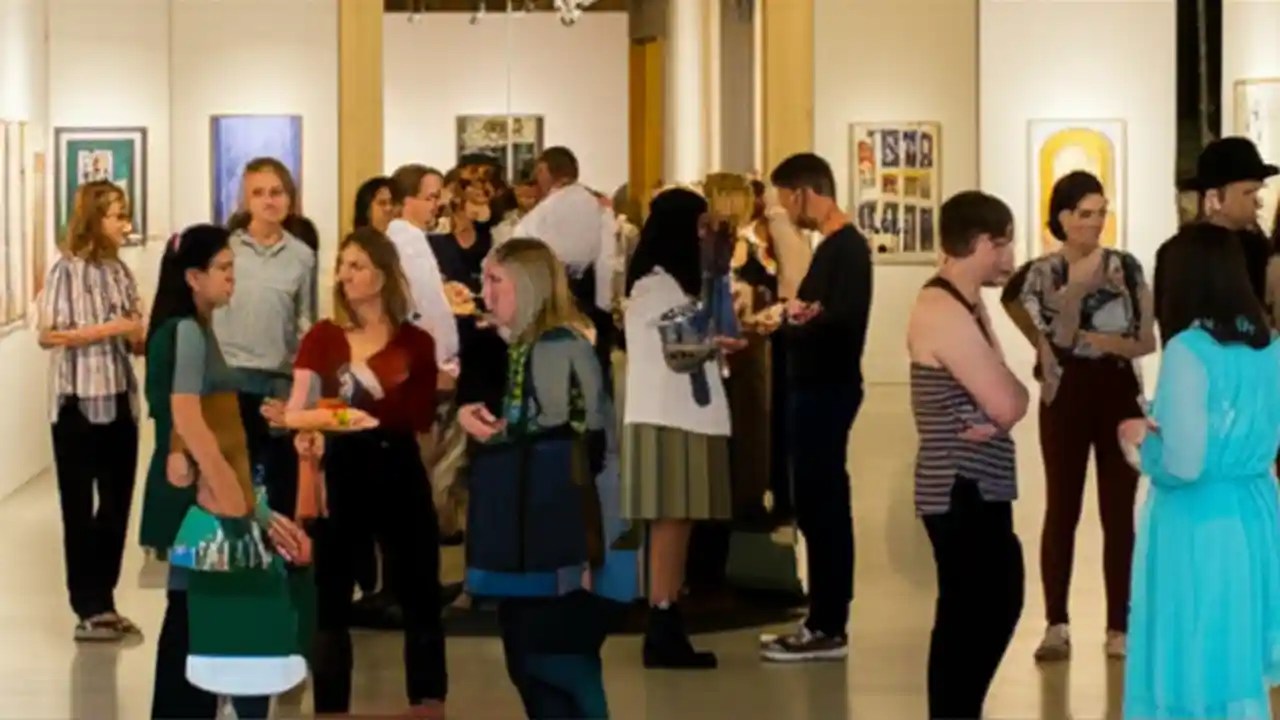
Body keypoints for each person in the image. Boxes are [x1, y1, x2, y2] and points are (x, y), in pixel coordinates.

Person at [141, 225, 311, 720]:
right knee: (192, 621)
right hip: (198, 499)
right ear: (193, 276)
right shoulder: (188, 332)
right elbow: (189, 418)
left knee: (192, 617)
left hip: (200, 493)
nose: (232, 279)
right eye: (224, 269)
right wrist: (234, 497)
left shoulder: (193, 327)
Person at [458, 237, 629, 719]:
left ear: (529, 286)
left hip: (560, 542)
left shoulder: (555, 346)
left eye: (496, 281)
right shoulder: (540, 345)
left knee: (553, 664)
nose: (485, 294)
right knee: (541, 664)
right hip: (554, 538)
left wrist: (497, 437)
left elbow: (573, 438)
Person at [282, 227, 448, 717]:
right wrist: (312, 425)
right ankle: (331, 708)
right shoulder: (324, 337)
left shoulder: (415, 343)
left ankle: (428, 703)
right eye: (342, 265)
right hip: (342, 466)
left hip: (397, 465)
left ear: (382, 272)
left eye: (356, 265)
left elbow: (417, 420)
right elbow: (298, 407)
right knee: (331, 597)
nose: (345, 275)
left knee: (419, 592)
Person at [1120, 221, 1280, 720]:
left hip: (1197, 523)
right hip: (1255, 513)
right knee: (1236, 667)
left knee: (1191, 663)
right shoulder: (1270, 345)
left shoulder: (1191, 350)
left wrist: (1138, 443)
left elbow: (1185, 464)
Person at [1017, 171, 1155, 661]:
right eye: (1085, 214)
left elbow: (1145, 339)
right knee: (1063, 508)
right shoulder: (1039, 274)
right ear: (1062, 218)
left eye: (1101, 212)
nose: (1096, 223)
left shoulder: (1127, 267)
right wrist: (1075, 292)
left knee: (1120, 511)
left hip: (1117, 392)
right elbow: (1050, 342)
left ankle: (1120, 624)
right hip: (1065, 394)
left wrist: (1098, 342)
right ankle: (1056, 622)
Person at [907, 191, 1028, 719]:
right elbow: (1008, 399)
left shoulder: (967, 303)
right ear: (982, 243)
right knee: (973, 613)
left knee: (983, 606)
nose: (1010, 258)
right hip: (959, 487)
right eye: (1004, 245)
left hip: (974, 487)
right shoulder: (942, 308)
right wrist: (1006, 404)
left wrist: (1004, 404)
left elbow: (1005, 399)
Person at [759, 153, 872, 662]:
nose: (787, 211)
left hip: (826, 389)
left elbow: (841, 321)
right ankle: (824, 617)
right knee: (818, 505)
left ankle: (828, 623)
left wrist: (792, 321)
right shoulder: (836, 249)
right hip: (821, 388)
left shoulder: (846, 250)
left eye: (787, 200)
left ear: (806, 192)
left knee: (824, 508)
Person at [622, 187, 739, 669]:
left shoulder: (677, 283)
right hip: (665, 415)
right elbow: (682, 344)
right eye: (698, 227)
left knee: (681, 520)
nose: (703, 236)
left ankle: (668, 612)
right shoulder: (653, 285)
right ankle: (662, 617)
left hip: (684, 413)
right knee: (670, 520)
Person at [37, 180, 145, 642]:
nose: (125, 224)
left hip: (120, 396)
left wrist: (135, 334)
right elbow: (49, 334)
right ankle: (86, 604)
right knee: (80, 509)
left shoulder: (120, 271)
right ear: (94, 219)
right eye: (117, 215)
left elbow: (134, 330)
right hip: (78, 402)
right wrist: (107, 329)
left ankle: (106, 599)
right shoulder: (66, 271)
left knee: (118, 504)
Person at [213, 157, 316, 518]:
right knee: (228, 483)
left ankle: (277, 564)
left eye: (276, 192)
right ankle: (233, 567)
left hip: (275, 383)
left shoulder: (303, 257)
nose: (269, 201)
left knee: (276, 487)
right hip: (227, 380)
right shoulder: (226, 250)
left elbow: (305, 322)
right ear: (245, 200)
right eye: (259, 193)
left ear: (289, 197)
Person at [1154, 136, 1278, 340]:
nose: (1258, 203)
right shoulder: (1178, 252)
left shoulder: (1258, 247)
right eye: (1248, 193)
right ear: (1214, 198)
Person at [386, 164, 459, 374]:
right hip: (424, 358)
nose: (438, 205)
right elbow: (425, 306)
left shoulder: (406, 237)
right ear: (407, 200)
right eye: (431, 197)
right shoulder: (408, 239)